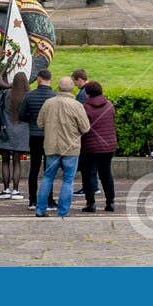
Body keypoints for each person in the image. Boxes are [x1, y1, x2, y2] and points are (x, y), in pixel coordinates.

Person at [34, 77, 90, 218]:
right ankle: (63, 212)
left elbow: (40, 123)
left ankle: (40, 210)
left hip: (51, 146)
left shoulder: (48, 103)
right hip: (71, 148)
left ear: (58, 87)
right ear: (72, 87)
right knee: (68, 180)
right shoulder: (77, 105)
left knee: (47, 178)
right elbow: (86, 128)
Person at [79, 80, 117, 213]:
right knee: (106, 174)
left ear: (88, 94)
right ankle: (110, 202)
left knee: (89, 175)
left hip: (91, 147)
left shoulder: (85, 108)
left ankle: (91, 203)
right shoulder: (109, 105)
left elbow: (83, 128)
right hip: (108, 146)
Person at [19, 69, 56, 207]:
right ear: (50, 79)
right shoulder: (54, 96)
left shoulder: (29, 96)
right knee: (50, 168)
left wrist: (32, 121)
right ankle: (49, 199)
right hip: (50, 135)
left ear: (39, 79)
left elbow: (21, 115)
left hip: (34, 135)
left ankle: (32, 200)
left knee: (34, 169)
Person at [0, 72, 31, 200]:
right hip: (22, 132)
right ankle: (15, 190)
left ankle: (5, 189)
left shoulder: (6, 95)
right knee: (17, 162)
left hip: (6, 131)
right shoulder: (28, 96)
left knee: (5, 161)